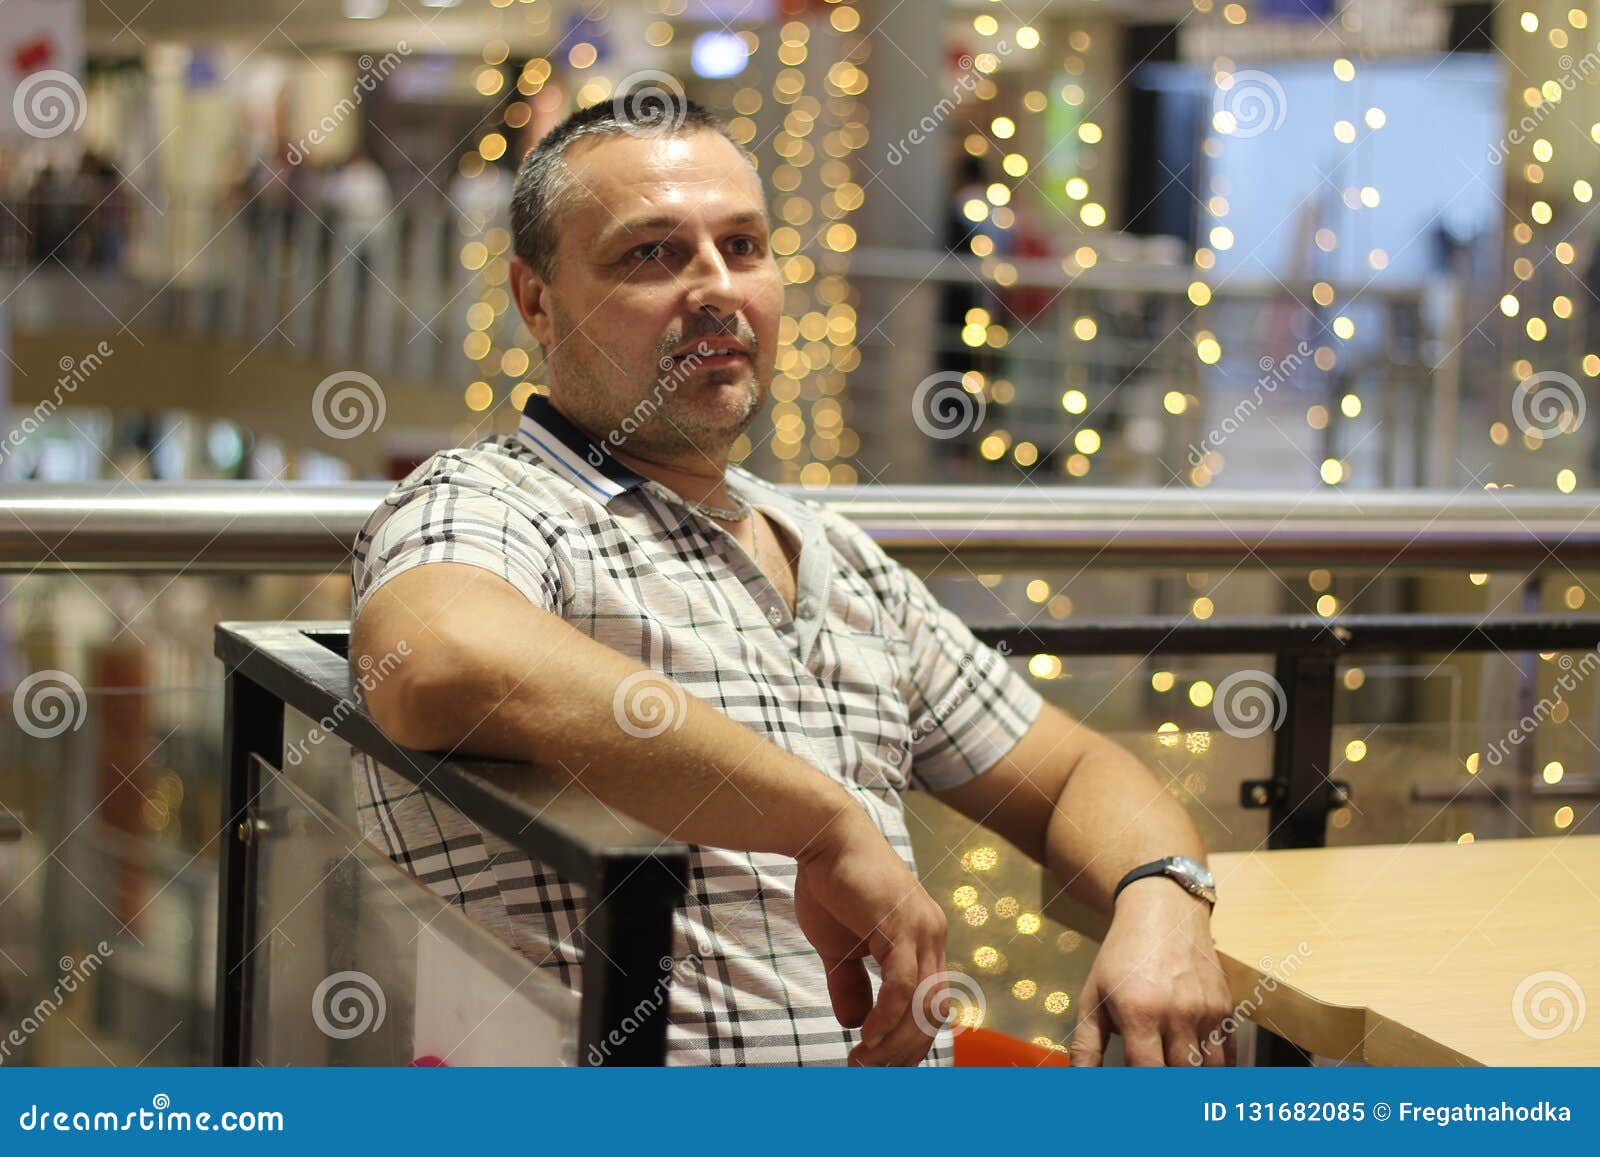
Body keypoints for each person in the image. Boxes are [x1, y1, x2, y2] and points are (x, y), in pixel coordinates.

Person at [349, 95, 1233, 1067]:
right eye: (651, 253)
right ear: (536, 301)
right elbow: (437, 657)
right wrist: (822, 821)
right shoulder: (491, 500)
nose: (716, 287)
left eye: (742, 246)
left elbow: (1073, 771)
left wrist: (1162, 893)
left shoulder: (831, 553)